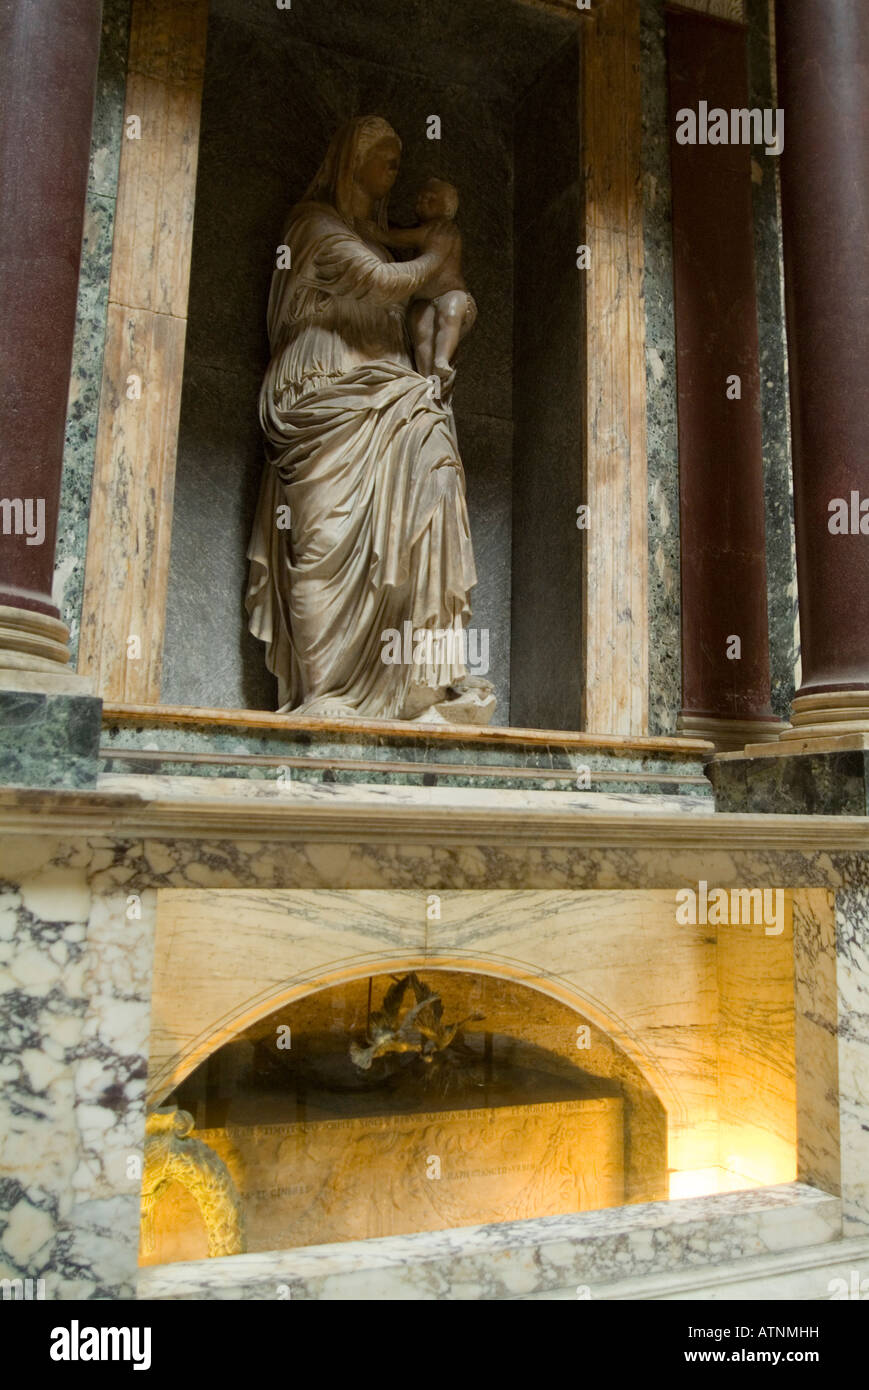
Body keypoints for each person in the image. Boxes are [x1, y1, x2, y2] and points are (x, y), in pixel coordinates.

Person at [245, 116, 494, 723]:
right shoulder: (312, 227)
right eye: (385, 153)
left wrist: (449, 313)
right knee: (326, 535)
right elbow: (383, 282)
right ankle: (325, 691)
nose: (396, 166)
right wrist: (438, 257)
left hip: (392, 388)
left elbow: (413, 299)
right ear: (350, 158)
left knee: (435, 468)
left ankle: (425, 679)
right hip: (323, 388)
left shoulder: (379, 239)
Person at [363, 176, 477, 387]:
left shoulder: (442, 230)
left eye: (431, 199)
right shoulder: (421, 229)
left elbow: (397, 238)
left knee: (450, 315)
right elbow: (404, 234)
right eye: (420, 198)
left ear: (447, 210)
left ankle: (441, 358)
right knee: (421, 331)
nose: (422, 201)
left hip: (452, 293)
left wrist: (375, 232)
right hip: (422, 299)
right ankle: (426, 379)